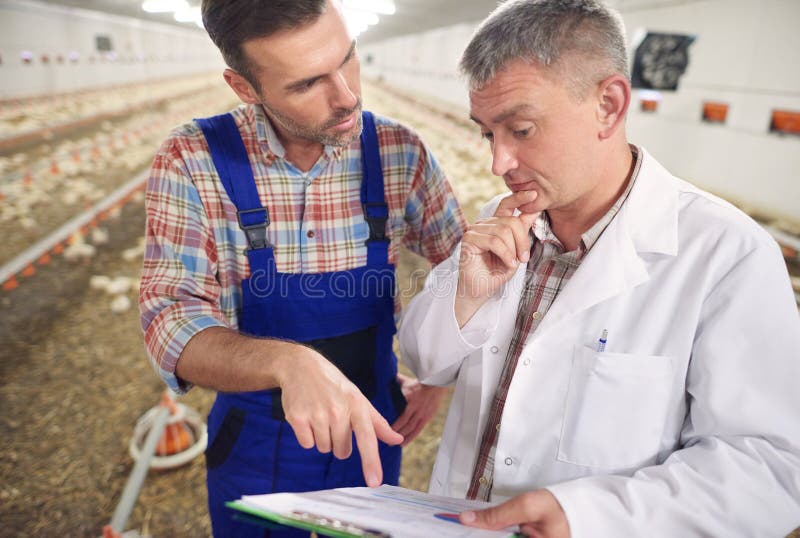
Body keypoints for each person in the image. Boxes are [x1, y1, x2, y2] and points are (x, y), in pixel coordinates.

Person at [398, 0, 800, 536]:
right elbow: (428, 362)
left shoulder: (725, 255)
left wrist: (590, 515)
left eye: (521, 129)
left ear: (608, 105)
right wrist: (466, 295)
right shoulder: (498, 221)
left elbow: (769, 469)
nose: (499, 163)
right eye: (487, 134)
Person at [138, 1, 466, 535]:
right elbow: (168, 320)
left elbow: (464, 268)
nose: (347, 95)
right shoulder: (193, 158)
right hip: (255, 440)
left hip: (371, 427)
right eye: (307, 84)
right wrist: (290, 366)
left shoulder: (399, 151)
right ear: (244, 87)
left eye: (348, 59)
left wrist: (440, 375)